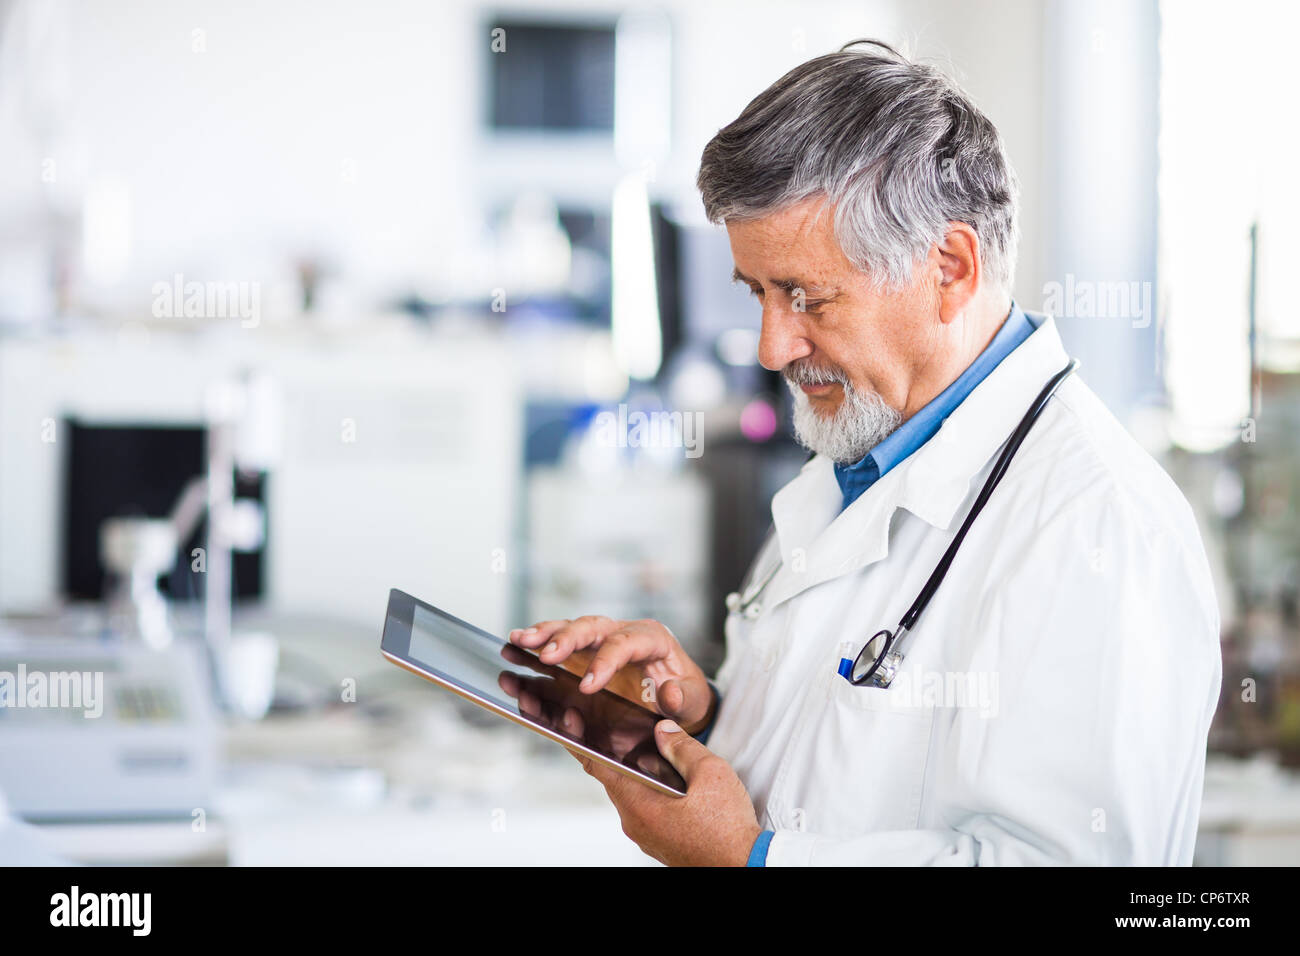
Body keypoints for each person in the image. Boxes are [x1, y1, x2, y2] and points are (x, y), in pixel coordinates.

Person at [510, 40, 1221, 866]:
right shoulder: (855, 457)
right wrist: (704, 716)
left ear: (948, 269)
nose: (774, 347)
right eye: (758, 294)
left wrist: (754, 863)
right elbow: (839, 762)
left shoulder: (1099, 527)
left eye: (806, 296)